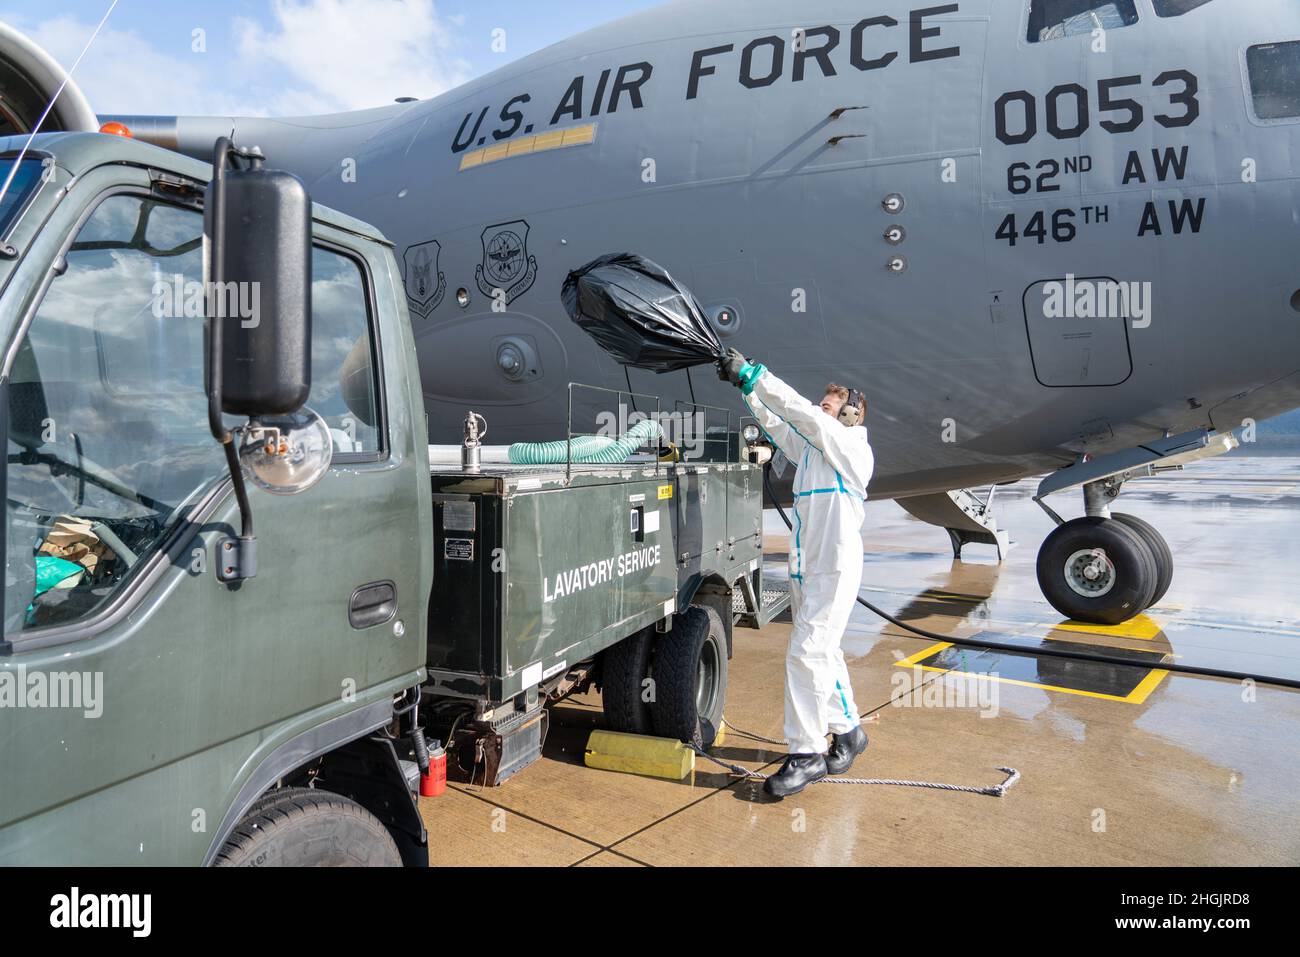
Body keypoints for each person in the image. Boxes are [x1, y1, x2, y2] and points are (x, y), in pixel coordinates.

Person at [719, 348, 874, 797]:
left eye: (827, 407)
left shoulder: (850, 447)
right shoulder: (812, 453)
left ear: (850, 414)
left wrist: (755, 373)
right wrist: (747, 390)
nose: (819, 411)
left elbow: (801, 415)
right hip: (809, 568)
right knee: (823, 652)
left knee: (807, 652)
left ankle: (806, 754)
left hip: (835, 567)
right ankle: (849, 732)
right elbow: (780, 423)